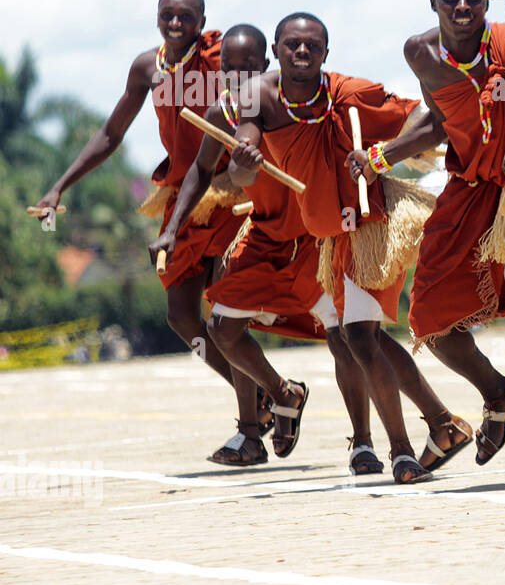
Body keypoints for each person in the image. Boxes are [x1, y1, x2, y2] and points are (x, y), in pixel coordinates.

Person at [217, 12, 453, 484]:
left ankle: (401, 451)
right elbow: (241, 164)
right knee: (356, 339)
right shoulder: (256, 98)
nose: (301, 52)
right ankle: (441, 425)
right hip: (326, 236)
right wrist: (245, 161)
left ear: (327, 53)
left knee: (360, 340)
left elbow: (427, 119)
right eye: (292, 45)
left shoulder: (350, 94)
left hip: (369, 226)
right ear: (278, 52)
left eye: (312, 46)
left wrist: (384, 155)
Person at [349, 0, 505, 471]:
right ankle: (499, 394)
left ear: (488, 0)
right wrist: (381, 156)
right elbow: (439, 122)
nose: (460, 6)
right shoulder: (419, 52)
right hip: (468, 190)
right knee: (428, 318)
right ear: (432, 4)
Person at [152, 24, 366, 470]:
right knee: (221, 325)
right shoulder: (226, 114)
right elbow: (205, 172)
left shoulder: (300, 104)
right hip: (265, 235)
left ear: (266, 67)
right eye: (228, 69)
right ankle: (276, 402)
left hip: (316, 238)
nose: (238, 78)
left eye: (249, 69)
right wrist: (173, 227)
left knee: (345, 337)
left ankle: (363, 442)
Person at [35, 0, 251, 420]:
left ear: (202, 23)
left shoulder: (219, 58)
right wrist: (60, 186)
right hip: (183, 197)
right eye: (167, 15)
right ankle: (263, 395)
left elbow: (259, 93)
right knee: (181, 315)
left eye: (186, 16)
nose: (175, 24)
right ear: (156, 17)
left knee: (227, 311)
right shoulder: (145, 68)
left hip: (232, 192)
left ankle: (253, 422)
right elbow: (111, 134)